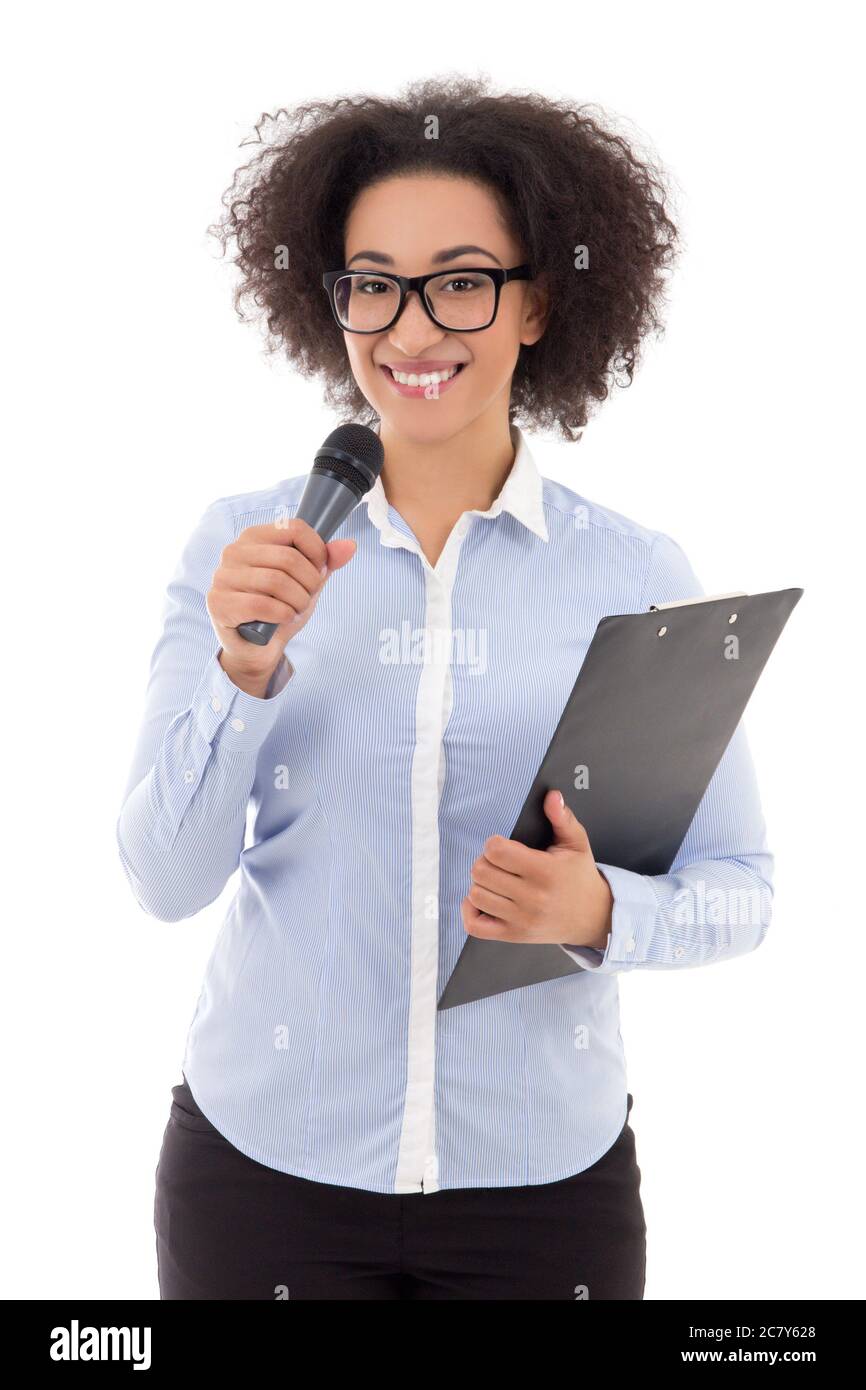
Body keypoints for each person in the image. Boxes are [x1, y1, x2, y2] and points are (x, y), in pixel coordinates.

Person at [116, 76, 773, 1300]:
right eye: (372, 283)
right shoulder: (240, 548)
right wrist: (242, 670)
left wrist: (596, 913)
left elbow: (740, 891)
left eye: (459, 281)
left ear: (536, 305)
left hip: (538, 1196)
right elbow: (162, 878)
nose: (409, 332)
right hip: (263, 1186)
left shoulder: (632, 575)